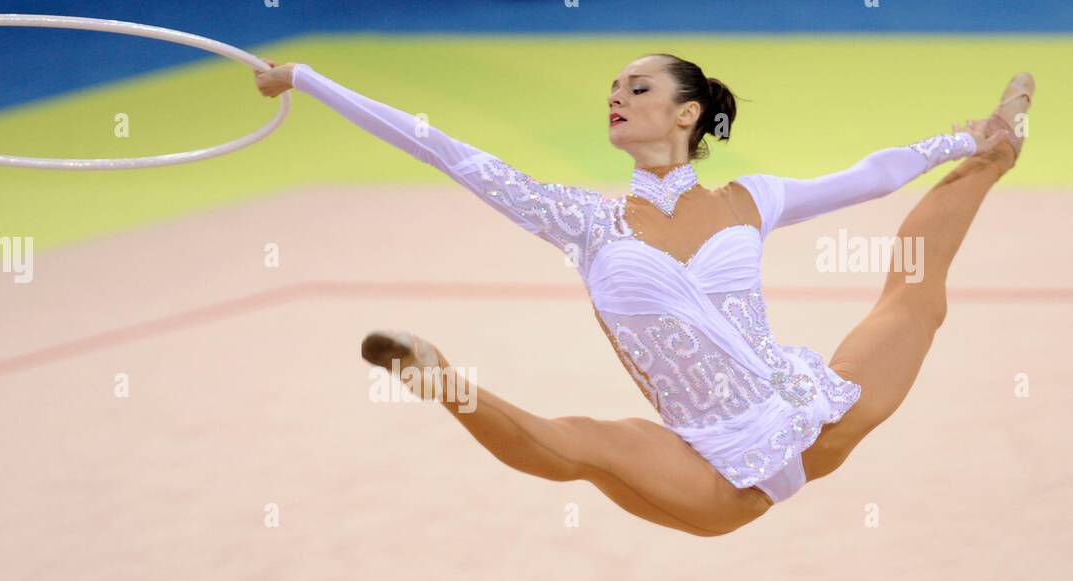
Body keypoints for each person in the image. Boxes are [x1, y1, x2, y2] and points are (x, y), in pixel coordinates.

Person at [254, 53, 1034, 536]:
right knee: (586, 445)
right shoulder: (582, 222)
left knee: (914, 294)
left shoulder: (746, 200)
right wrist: (310, 80)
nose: (616, 97)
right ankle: (443, 381)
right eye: (612, 90)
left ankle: (1002, 154)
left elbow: (871, 175)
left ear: (686, 113)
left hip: (811, 415)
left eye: (637, 86)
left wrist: (968, 142)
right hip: (706, 471)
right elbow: (444, 150)